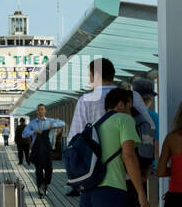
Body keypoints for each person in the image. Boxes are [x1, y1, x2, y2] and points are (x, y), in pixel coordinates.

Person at [65, 57, 155, 197]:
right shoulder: (132, 96)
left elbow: (74, 137)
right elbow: (149, 127)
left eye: (90, 75)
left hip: (97, 174)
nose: (89, 80)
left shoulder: (86, 100)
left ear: (97, 76)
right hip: (130, 171)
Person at [126, 78, 158, 207]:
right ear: (148, 99)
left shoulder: (125, 117)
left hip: (124, 176)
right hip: (146, 176)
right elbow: (154, 149)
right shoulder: (152, 118)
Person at [22, 104, 65, 198]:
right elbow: (24, 134)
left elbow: (62, 123)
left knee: (49, 170)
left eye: (42, 109)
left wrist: (54, 125)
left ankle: (45, 183)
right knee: (39, 171)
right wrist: (34, 132)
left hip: (47, 150)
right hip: (37, 150)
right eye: (38, 110)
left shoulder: (50, 121)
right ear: (37, 111)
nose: (40, 111)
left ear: (45, 111)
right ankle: (40, 188)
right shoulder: (32, 123)